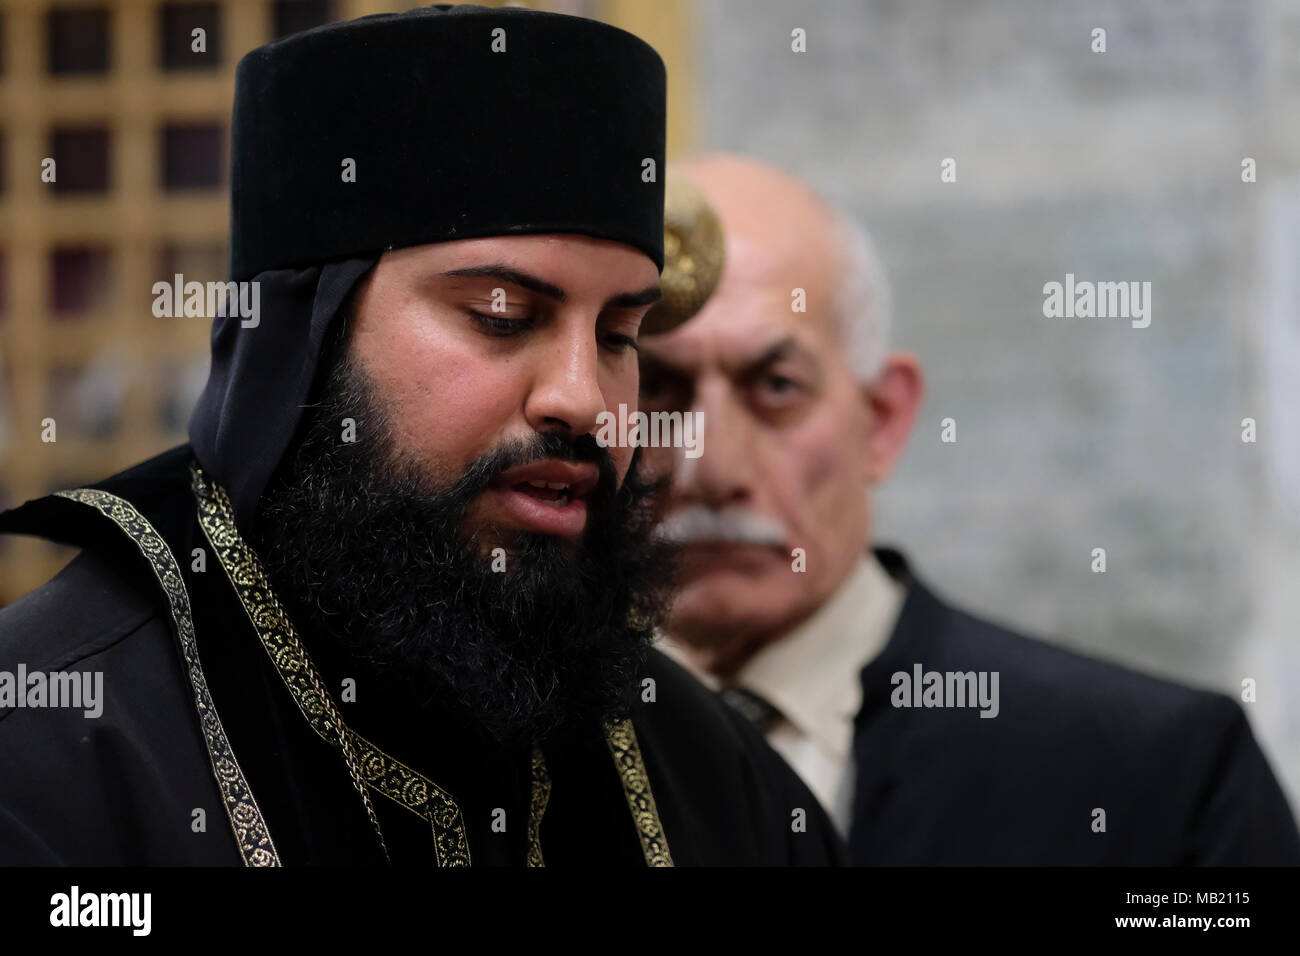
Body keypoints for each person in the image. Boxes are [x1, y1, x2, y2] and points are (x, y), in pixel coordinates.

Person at [0, 7, 843, 867]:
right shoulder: (49, 746)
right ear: (308, 335)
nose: (584, 400)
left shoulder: (711, 783)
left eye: (619, 337)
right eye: (502, 317)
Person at [643, 153, 1300, 865]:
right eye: (654, 389)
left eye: (775, 386)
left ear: (884, 419)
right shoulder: (529, 758)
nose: (711, 468)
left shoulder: (1159, 781)